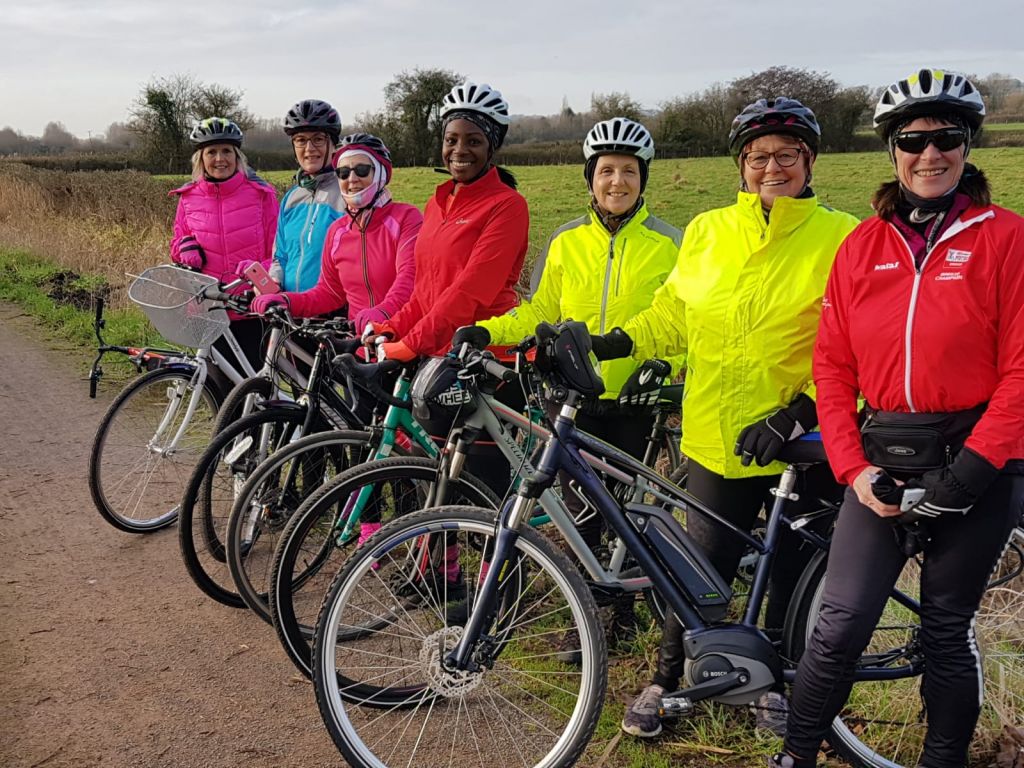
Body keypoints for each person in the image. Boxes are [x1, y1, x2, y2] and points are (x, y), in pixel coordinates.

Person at [772, 69, 1024, 768]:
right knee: (839, 624)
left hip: (975, 461)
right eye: (912, 140)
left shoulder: (1006, 238)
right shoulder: (862, 247)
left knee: (946, 629)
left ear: (968, 145)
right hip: (882, 457)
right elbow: (832, 369)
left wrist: (971, 474)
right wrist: (853, 469)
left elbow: (1021, 372)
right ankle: (794, 757)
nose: (929, 154)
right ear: (893, 152)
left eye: (947, 137)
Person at [614, 98, 859, 739]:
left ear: (808, 161)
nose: (771, 167)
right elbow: (672, 314)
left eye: (785, 156)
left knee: (791, 568)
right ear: (741, 166)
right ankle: (668, 679)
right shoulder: (707, 230)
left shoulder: (842, 236)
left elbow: (854, 344)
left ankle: (775, 686)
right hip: (717, 435)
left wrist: (796, 413)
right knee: (701, 565)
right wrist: (611, 341)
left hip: (803, 438)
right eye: (757, 157)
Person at [472, 116, 682, 642]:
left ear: (644, 178)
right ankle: (588, 611)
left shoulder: (671, 243)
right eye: (606, 171)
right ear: (590, 178)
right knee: (581, 511)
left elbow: (684, 324)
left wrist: (670, 372)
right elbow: (538, 309)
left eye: (629, 171)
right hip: (574, 398)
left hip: (637, 397)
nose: (617, 182)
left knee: (626, 512)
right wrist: (485, 331)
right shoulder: (566, 241)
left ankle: (626, 610)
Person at [363, 81, 529, 362]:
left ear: (492, 147)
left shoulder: (508, 206)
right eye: (451, 140)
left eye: (473, 141)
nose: (459, 150)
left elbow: (471, 289)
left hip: (485, 357)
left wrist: (414, 342)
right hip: (438, 352)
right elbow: (424, 293)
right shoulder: (437, 203)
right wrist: (393, 328)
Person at [169, 117, 279, 367]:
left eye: (226, 151)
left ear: (237, 156)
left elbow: (279, 249)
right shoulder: (187, 198)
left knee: (252, 388)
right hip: (207, 306)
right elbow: (177, 243)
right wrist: (182, 248)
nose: (220, 159)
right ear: (201, 158)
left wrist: (257, 272)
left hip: (249, 307)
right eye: (212, 152)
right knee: (215, 386)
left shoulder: (261, 194)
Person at [252, 99, 346, 294]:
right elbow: (280, 255)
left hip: (334, 313)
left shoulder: (347, 194)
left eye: (318, 139)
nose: (309, 148)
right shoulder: (291, 198)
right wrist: (274, 280)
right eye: (301, 140)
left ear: (333, 144)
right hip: (291, 310)